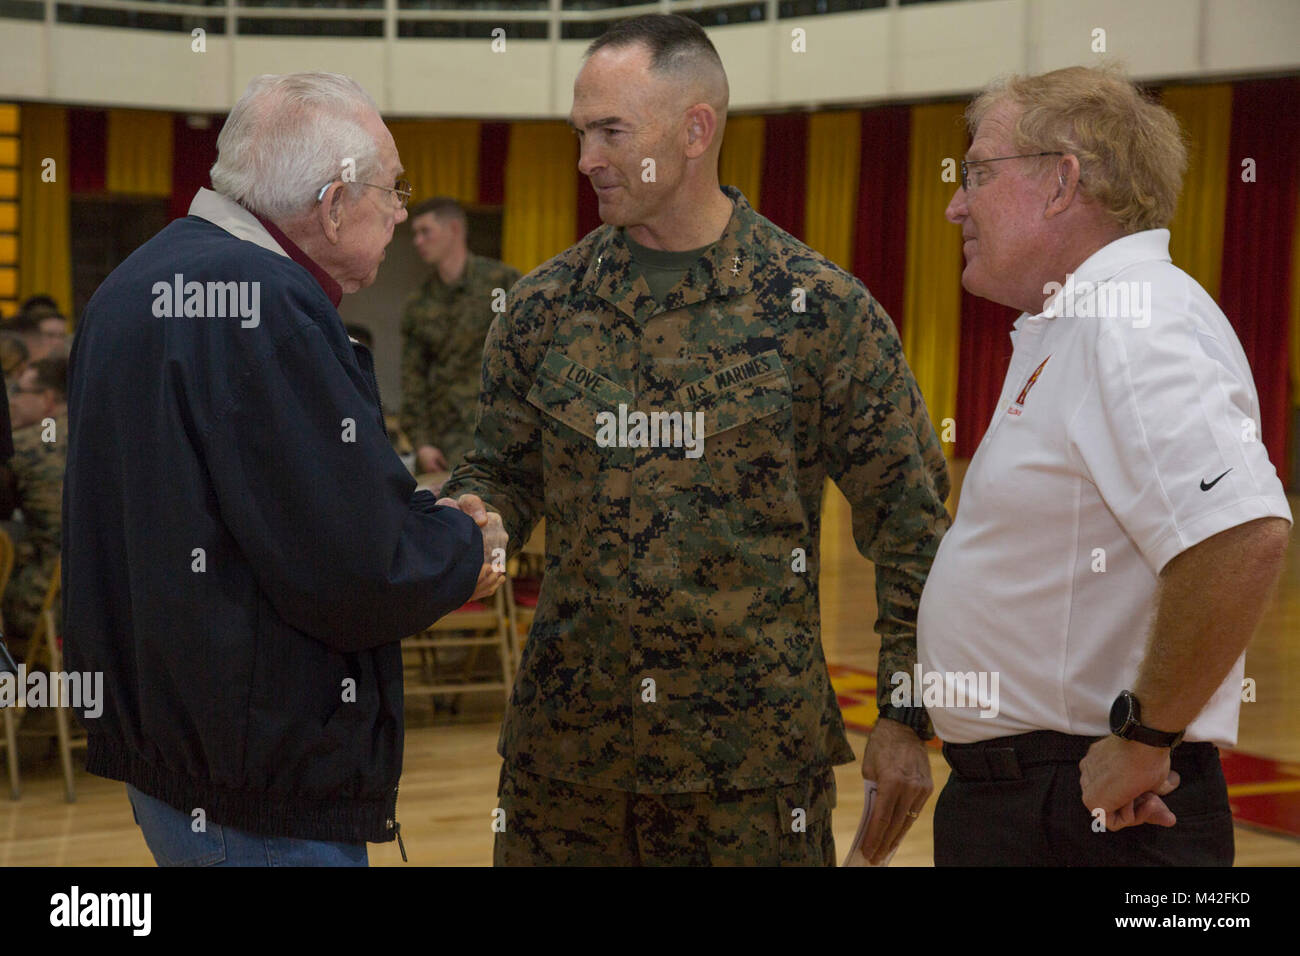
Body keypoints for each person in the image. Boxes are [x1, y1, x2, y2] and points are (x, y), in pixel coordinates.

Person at [439, 14, 951, 866]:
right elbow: (499, 468)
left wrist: (904, 716)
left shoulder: (819, 310)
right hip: (567, 771)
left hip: (748, 780)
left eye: (611, 132)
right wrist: (475, 512)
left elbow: (914, 525)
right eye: (580, 133)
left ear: (695, 130)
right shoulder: (540, 307)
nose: (586, 159)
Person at [63, 72, 506, 867]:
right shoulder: (266, 304)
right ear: (334, 204)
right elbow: (354, 567)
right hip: (260, 771)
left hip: (170, 745)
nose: (403, 212)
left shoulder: (136, 278)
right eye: (393, 190)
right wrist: (463, 547)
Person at [919, 64, 1293, 865]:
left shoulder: (1135, 321)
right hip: (1042, 798)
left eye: (977, 174)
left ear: (1062, 182)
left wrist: (1145, 733)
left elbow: (1241, 535)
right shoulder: (1078, 321)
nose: (956, 203)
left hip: (1090, 809)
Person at [401, 197, 520, 475]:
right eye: (415, 233)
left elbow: (529, 353)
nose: (417, 241)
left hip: (499, 433)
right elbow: (412, 377)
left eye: (425, 231)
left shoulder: (502, 282)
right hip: (445, 443)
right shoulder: (418, 303)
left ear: (454, 229)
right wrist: (422, 444)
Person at [0, 357, 67, 646]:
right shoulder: (103, 433)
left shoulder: (25, 446)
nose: (12, 401)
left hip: (46, 601)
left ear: (47, 398)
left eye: (20, 391)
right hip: (110, 595)